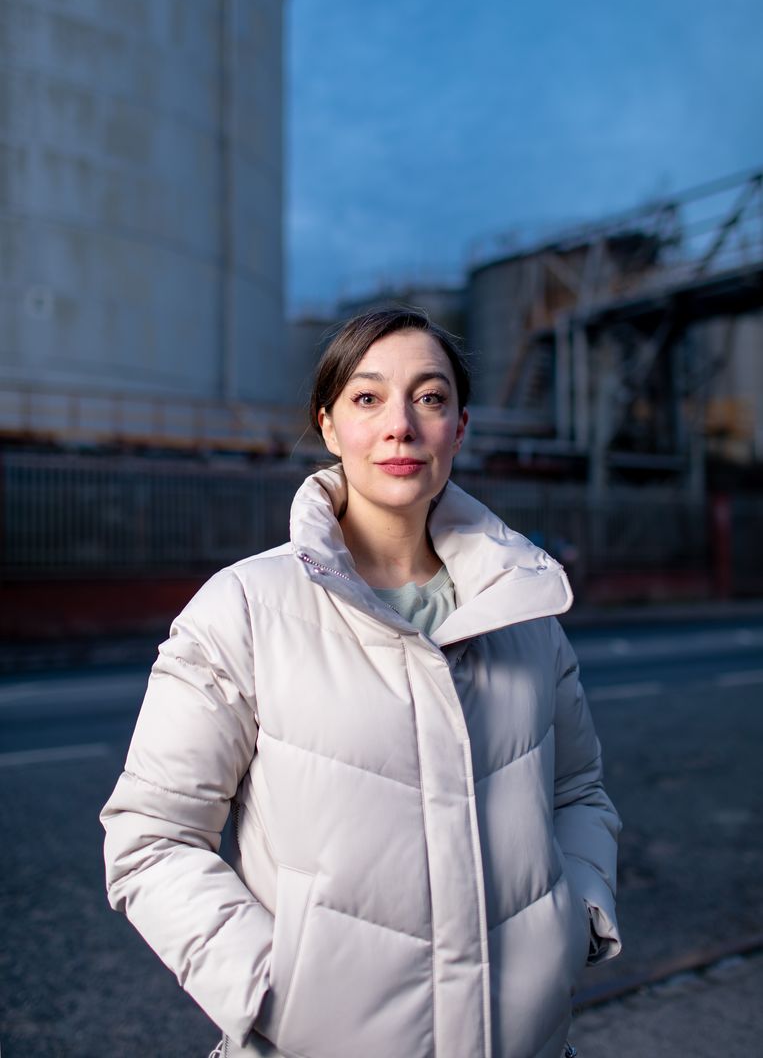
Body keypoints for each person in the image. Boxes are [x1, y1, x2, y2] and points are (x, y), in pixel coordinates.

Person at [101, 308, 621, 1058]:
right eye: (368, 398)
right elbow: (150, 836)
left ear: (460, 428)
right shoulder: (245, 607)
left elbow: (577, 793)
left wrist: (573, 920)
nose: (400, 426)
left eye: (430, 397)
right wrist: (273, 992)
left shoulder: (525, 610)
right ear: (328, 425)